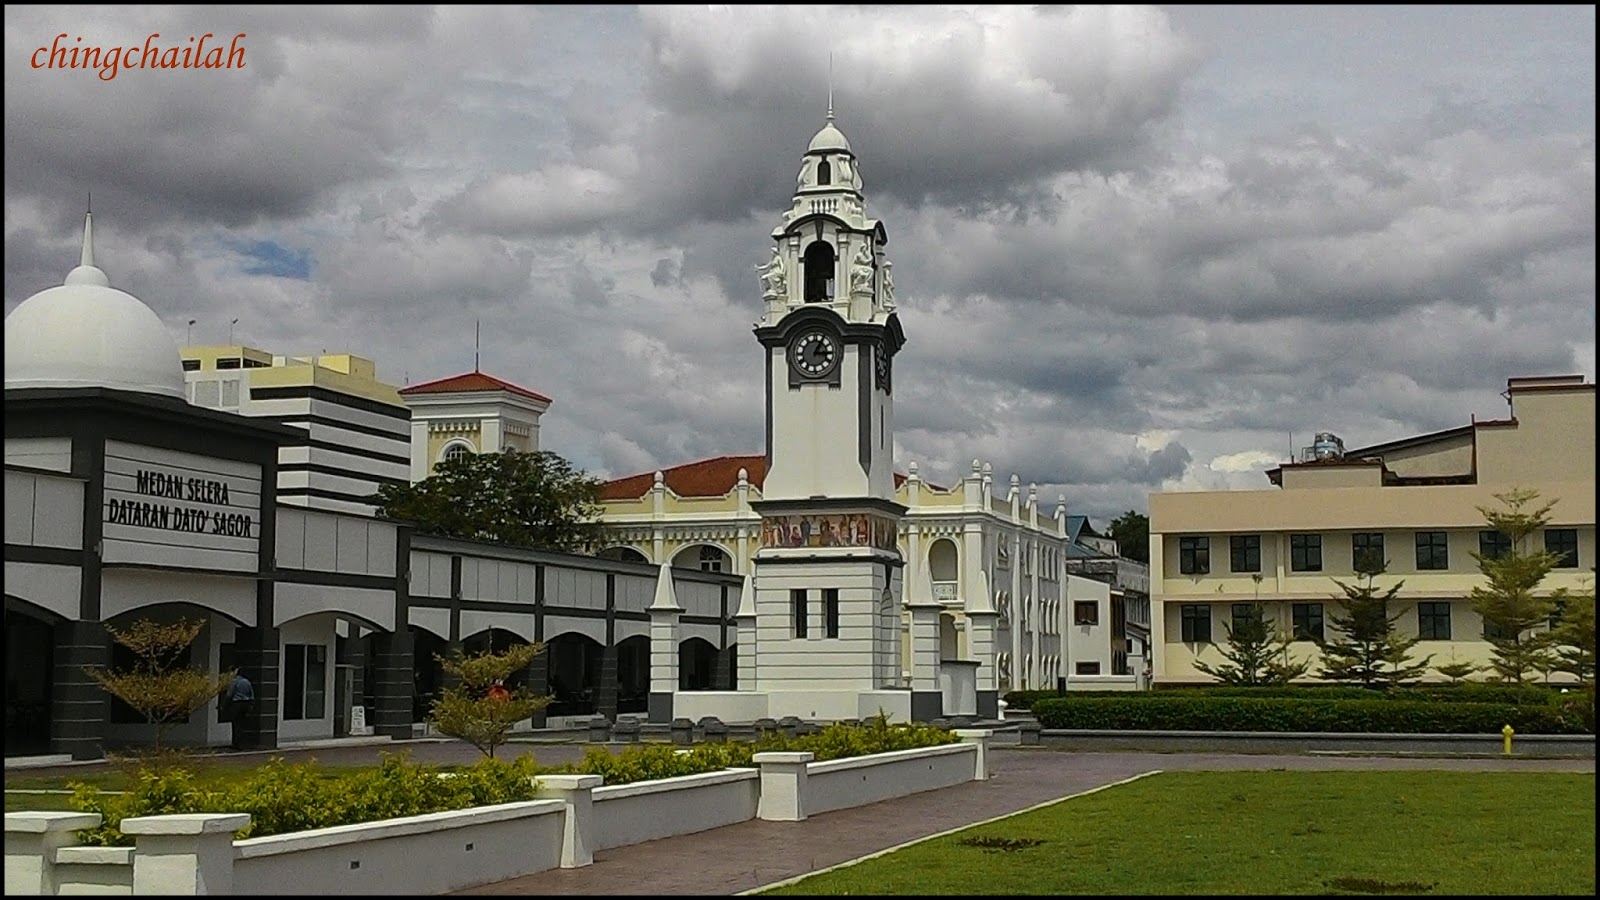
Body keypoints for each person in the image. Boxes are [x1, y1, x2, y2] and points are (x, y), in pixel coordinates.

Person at [224, 671, 253, 751]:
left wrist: (224, 705)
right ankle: (243, 742)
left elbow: (229, 694)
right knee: (242, 724)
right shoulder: (247, 682)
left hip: (237, 704)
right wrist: (250, 705)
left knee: (236, 724)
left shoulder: (234, 682)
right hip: (246, 704)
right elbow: (251, 694)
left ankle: (236, 743)